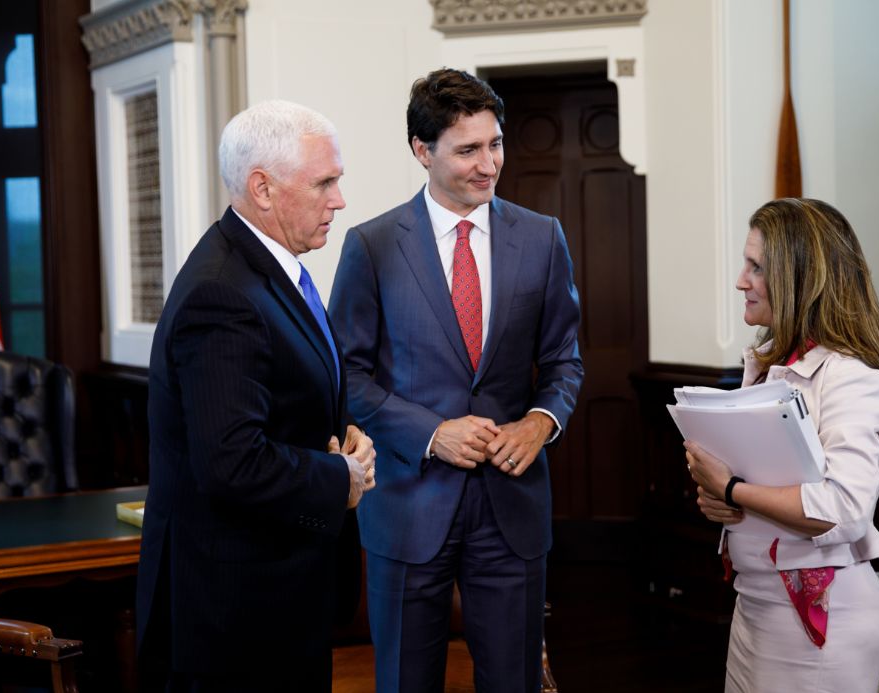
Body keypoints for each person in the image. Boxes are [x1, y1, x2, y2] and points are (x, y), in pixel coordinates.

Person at [328, 68, 583, 693]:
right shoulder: (373, 246)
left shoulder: (543, 238)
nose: (488, 163)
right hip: (408, 507)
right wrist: (431, 432)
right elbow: (343, 378)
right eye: (468, 149)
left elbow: (564, 362)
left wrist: (540, 421)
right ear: (423, 151)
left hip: (513, 509)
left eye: (495, 143)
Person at [136, 100, 376, 692]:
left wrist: (344, 431)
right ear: (262, 188)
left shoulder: (274, 265)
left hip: (280, 602)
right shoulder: (222, 293)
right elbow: (230, 461)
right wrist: (338, 477)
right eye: (325, 182)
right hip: (234, 623)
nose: (339, 200)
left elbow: (293, 390)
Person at [686, 198, 879, 692]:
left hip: (821, 618)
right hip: (755, 601)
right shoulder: (767, 363)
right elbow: (767, 483)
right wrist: (718, 499)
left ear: (799, 277)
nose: (741, 280)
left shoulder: (853, 378)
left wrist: (733, 488)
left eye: (756, 267)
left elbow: (844, 509)